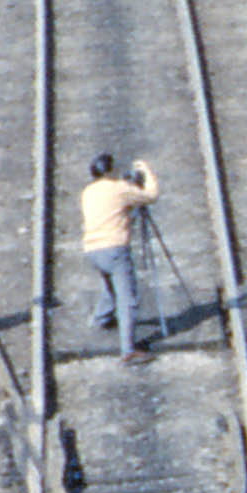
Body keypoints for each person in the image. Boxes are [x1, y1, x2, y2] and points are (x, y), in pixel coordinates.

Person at [79, 152, 161, 362]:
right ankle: (128, 350)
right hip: (114, 248)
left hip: (92, 249)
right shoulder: (119, 188)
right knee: (128, 298)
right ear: (109, 171)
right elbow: (151, 196)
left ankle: (102, 318)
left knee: (109, 285)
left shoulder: (88, 191)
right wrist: (147, 172)